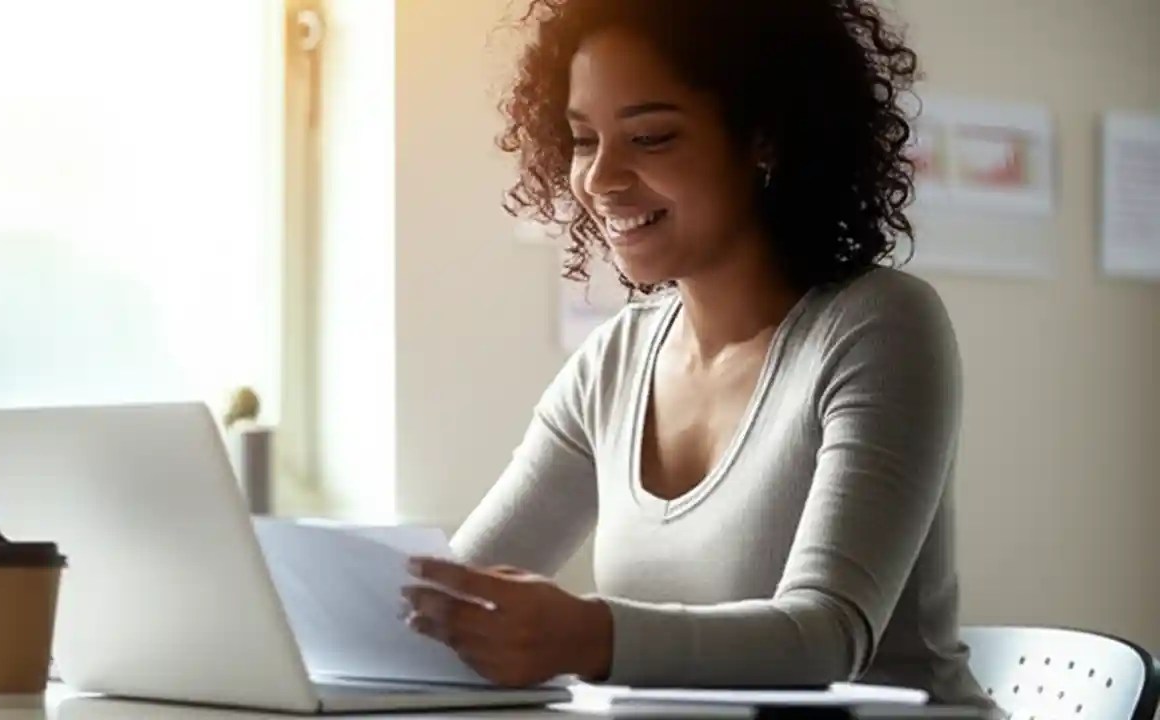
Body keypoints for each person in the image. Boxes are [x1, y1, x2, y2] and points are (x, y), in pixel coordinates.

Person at [400, 0, 997, 710]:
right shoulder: (614, 363)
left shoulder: (878, 326)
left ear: (765, 138)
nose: (600, 178)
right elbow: (450, 598)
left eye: (650, 137)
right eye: (584, 139)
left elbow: (827, 635)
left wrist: (590, 636)